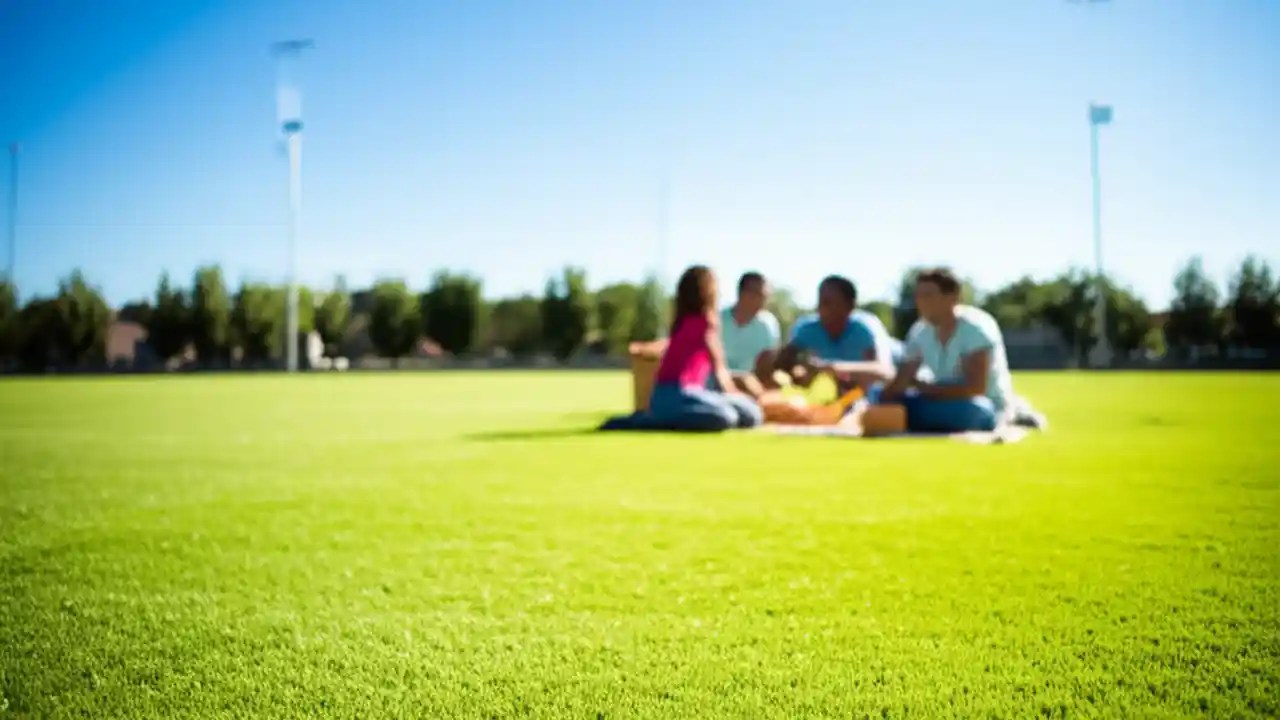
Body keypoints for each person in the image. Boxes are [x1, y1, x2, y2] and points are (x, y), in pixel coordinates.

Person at [882, 267, 1014, 432]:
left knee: (972, 412)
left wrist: (926, 389)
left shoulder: (976, 328)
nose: (920, 302)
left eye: (928, 296)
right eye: (918, 296)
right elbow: (903, 378)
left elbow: (975, 388)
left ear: (952, 297)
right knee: (890, 399)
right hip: (937, 400)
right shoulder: (919, 331)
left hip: (979, 403)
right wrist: (881, 397)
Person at [647, 265, 764, 431]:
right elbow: (720, 372)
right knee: (728, 415)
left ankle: (663, 417)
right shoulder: (705, 324)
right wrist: (736, 394)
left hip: (674, 395)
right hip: (679, 393)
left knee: (748, 412)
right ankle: (653, 421)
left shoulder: (684, 323)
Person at [778, 275, 897, 393]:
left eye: (827, 302)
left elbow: (885, 372)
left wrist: (829, 368)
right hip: (818, 403)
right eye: (820, 301)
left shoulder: (866, 328)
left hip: (863, 403)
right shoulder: (805, 330)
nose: (820, 308)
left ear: (849, 306)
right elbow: (783, 363)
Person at [718, 271, 781, 393]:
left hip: (754, 389)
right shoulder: (717, 321)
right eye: (758, 294)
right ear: (741, 293)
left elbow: (769, 365)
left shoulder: (769, 325)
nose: (763, 300)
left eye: (765, 296)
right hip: (717, 385)